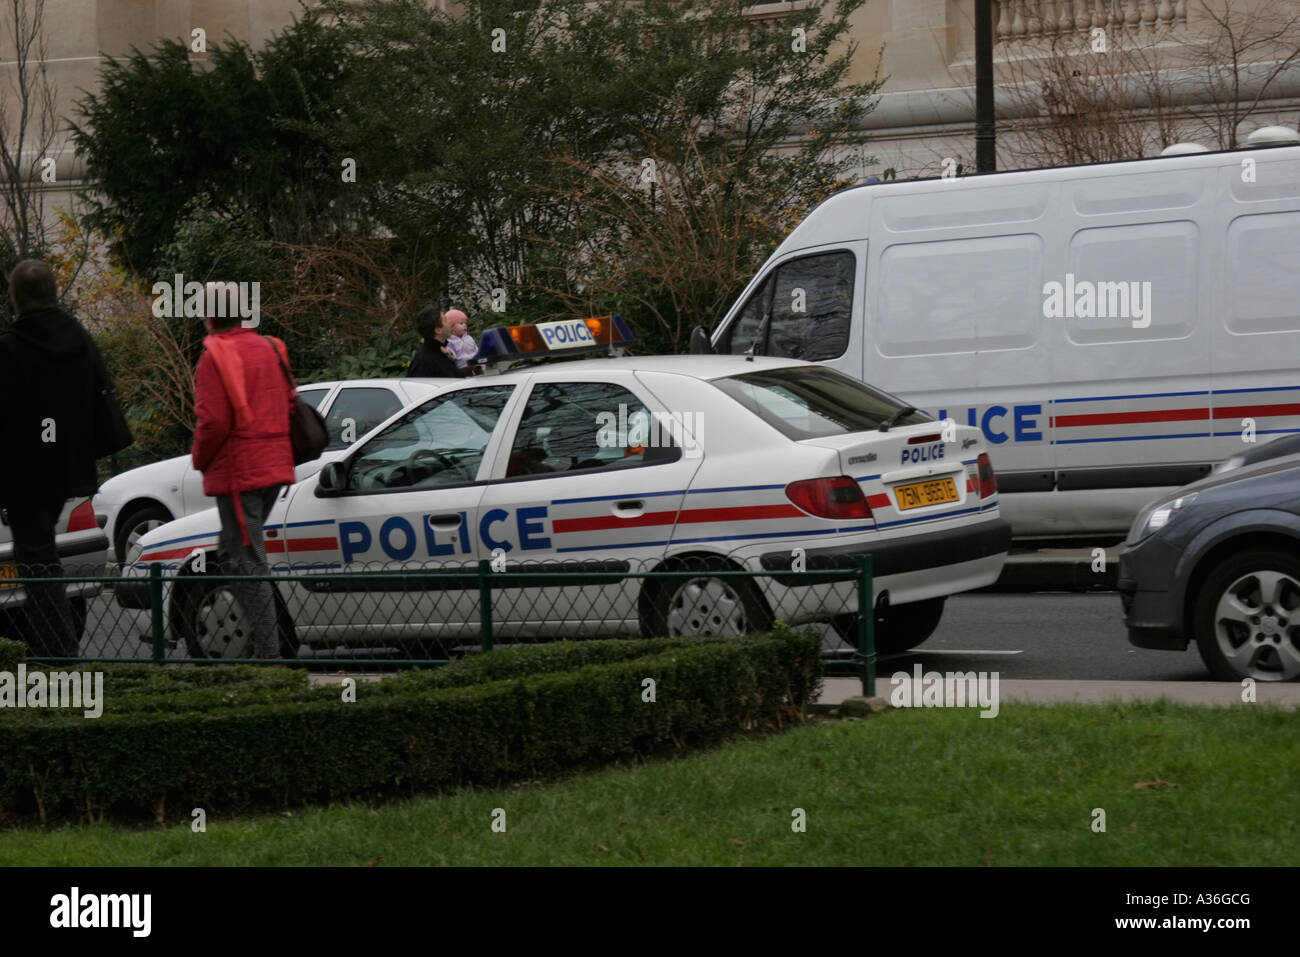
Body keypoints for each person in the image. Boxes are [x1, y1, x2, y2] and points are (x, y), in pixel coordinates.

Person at [0, 259, 117, 658]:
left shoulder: (11, 347)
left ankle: (55, 651)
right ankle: (53, 648)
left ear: (15, 296)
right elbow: (100, 393)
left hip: (23, 473)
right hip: (67, 465)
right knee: (41, 554)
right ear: (53, 292)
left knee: (36, 559)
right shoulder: (78, 337)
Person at [190, 283, 296, 658]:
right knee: (236, 552)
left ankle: (268, 657)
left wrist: (199, 458)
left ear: (208, 316)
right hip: (273, 468)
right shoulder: (269, 347)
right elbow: (288, 400)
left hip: (240, 476)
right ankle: (262, 649)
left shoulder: (214, 357)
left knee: (247, 563)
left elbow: (213, 422)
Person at [405, 304, 460, 378]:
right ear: (438, 330)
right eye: (445, 320)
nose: (450, 323)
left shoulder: (440, 352)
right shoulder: (425, 362)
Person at [444, 309, 477, 374]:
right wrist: (450, 353)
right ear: (451, 327)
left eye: (465, 323)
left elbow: (476, 349)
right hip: (462, 367)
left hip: (475, 364)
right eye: (461, 323)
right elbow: (452, 355)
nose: (464, 325)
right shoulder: (450, 341)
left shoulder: (469, 338)